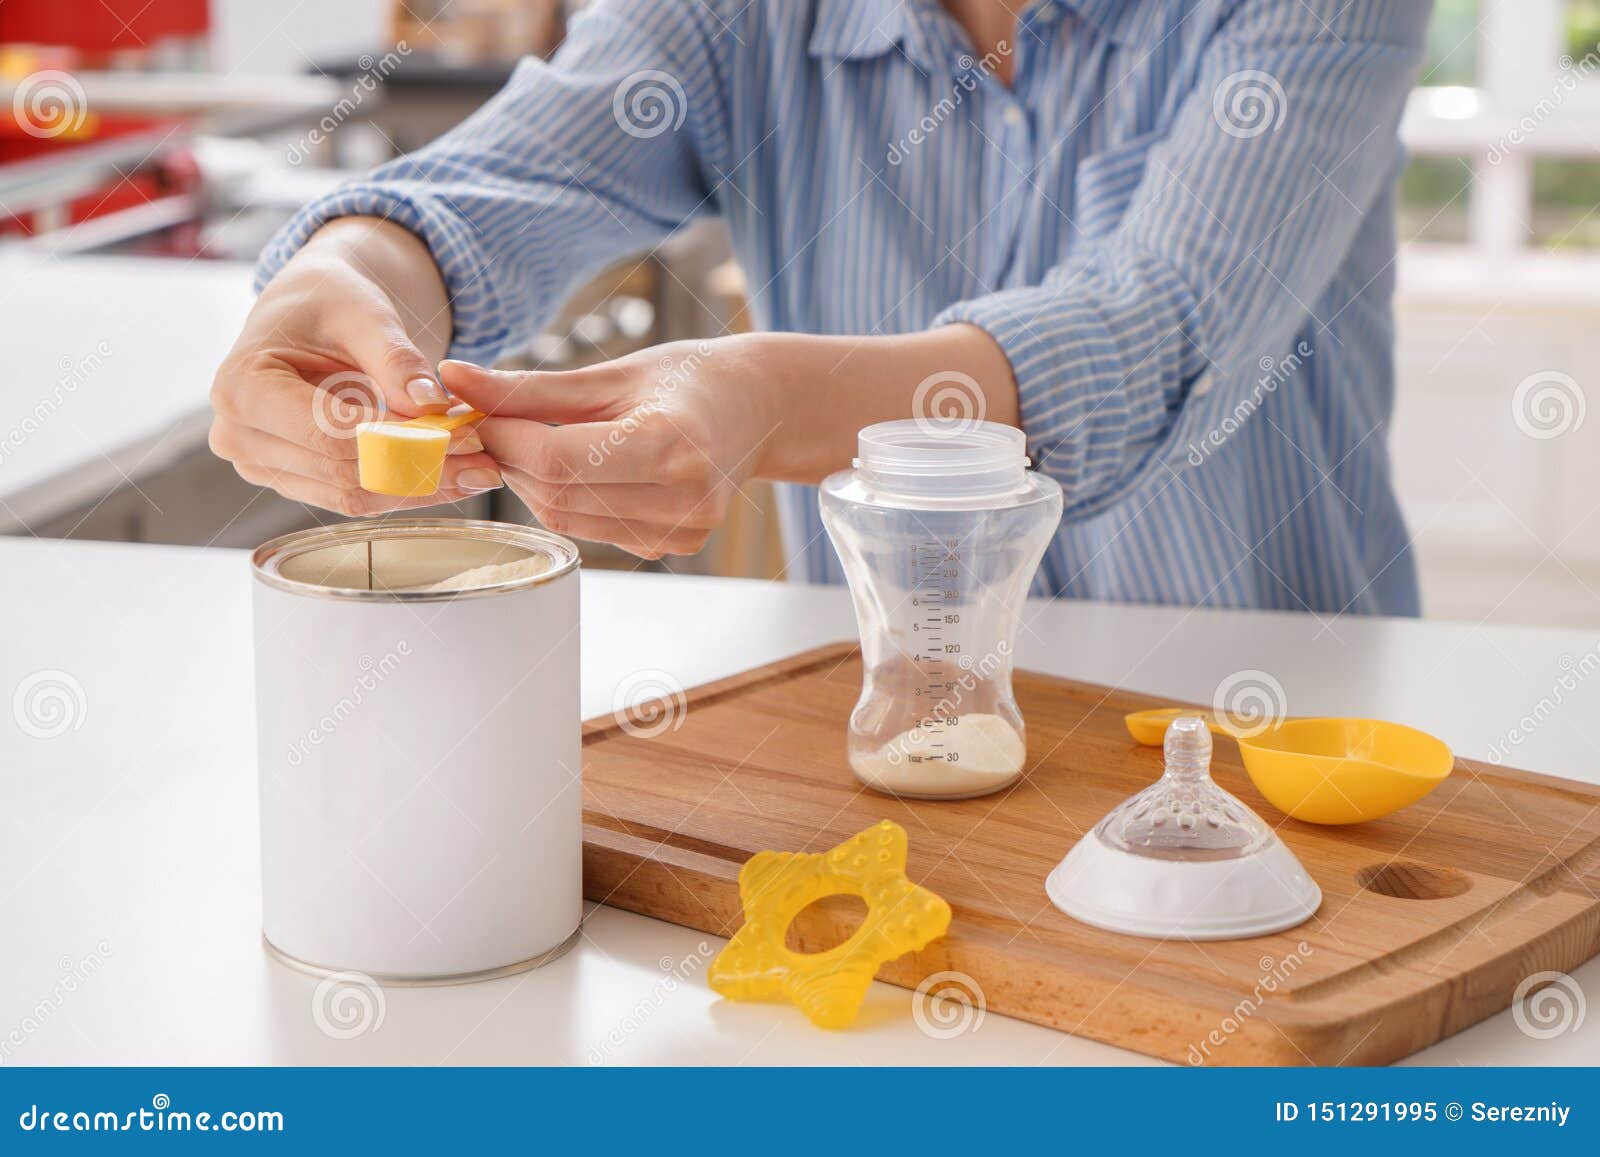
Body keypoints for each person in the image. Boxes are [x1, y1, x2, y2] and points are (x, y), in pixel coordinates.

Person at [212, 0, 1432, 615]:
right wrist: (354, 269)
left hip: (1274, 720)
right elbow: (526, 170)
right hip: (887, 747)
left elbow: (1161, 328)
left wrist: (767, 394)